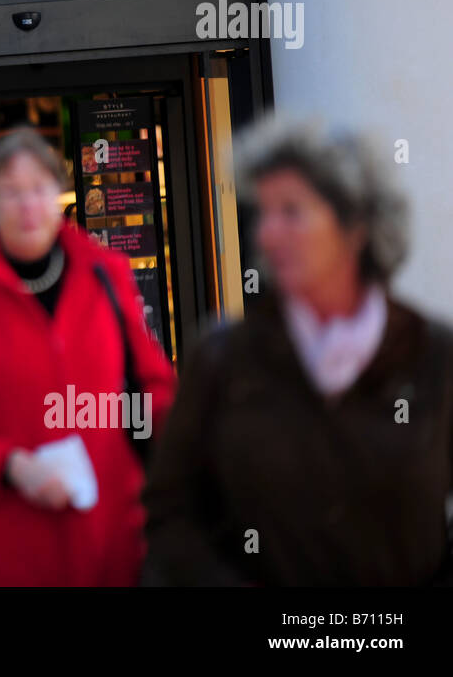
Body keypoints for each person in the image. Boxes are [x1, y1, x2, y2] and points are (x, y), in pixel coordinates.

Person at [144, 117, 453, 586]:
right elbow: (170, 514)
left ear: (356, 225)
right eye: (264, 211)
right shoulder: (223, 359)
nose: (267, 233)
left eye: (292, 211)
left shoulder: (435, 356)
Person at [0, 128, 177, 586]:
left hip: (118, 537)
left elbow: (155, 388)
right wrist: (12, 467)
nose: (28, 204)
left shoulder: (107, 275)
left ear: (57, 196)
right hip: (20, 548)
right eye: (11, 193)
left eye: (39, 189)